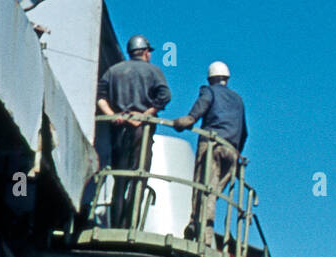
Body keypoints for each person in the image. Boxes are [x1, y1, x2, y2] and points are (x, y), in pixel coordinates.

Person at [96, 34, 171, 227]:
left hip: (119, 129)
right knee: (139, 177)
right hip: (142, 130)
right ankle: (131, 226)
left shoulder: (113, 71)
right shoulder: (153, 71)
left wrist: (114, 115)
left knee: (119, 179)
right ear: (146, 52)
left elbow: (100, 96)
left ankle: (116, 225)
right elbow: (165, 96)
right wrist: (145, 114)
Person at [172, 61, 248, 241]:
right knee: (212, 194)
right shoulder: (238, 99)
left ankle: (201, 233)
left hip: (212, 146)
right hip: (232, 151)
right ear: (226, 78)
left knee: (203, 189)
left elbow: (201, 108)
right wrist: (236, 153)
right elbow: (244, 131)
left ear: (210, 78)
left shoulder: (209, 91)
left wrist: (188, 119)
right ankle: (199, 227)